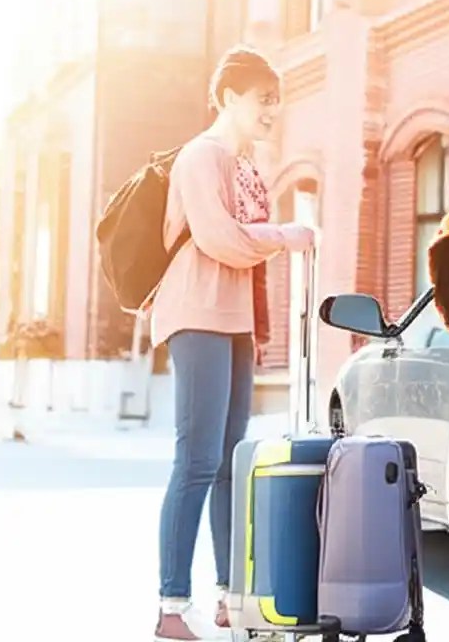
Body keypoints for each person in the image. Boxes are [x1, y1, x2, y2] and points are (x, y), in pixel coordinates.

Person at [151, 45, 317, 642]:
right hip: (196, 314)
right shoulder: (201, 157)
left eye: (277, 100)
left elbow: (242, 242)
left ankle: (229, 596)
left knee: (229, 462)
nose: (273, 110)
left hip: (236, 320)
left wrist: (271, 239)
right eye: (262, 100)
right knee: (195, 460)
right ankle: (172, 605)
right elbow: (220, 238)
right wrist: (284, 235)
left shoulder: (246, 165)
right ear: (228, 99)